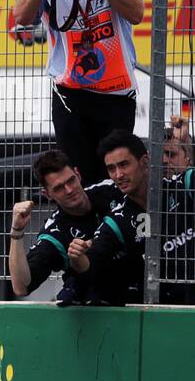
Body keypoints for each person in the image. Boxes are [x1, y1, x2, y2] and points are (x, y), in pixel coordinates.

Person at [13, 0, 145, 186]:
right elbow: (22, 16)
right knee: (78, 176)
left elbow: (136, 13)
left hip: (116, 91)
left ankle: (111, 227)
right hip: (70, 94)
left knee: (116, 177)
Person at [67, 130, 195, 304]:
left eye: (124, 164)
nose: (118, 175)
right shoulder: (118, 221)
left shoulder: (185, 185)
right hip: (168, 313)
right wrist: (78, 257)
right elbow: (90, 264)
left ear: (144, 162)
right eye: (111, 169)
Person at [8, 149, 124, 305]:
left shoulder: (109, 189)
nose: (69, 190)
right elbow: (21, 287)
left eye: (71, 181)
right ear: (47, 194)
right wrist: (17, 233)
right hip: (98, 305)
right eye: (59, 188)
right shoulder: (55, 233)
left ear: (78, 174)